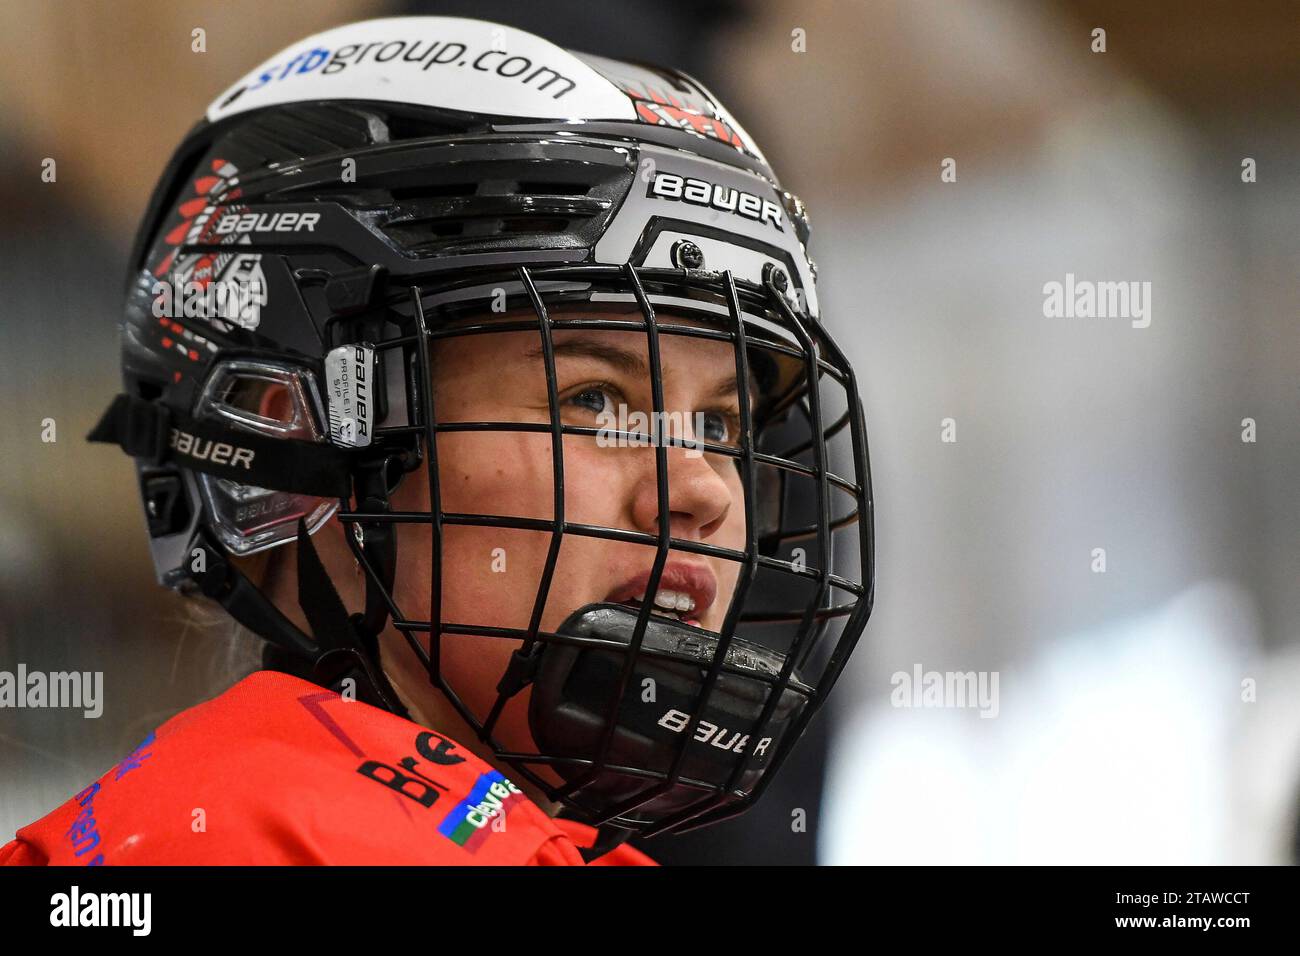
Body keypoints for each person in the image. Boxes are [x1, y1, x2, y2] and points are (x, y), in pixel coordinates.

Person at [2, 15, 873, 866]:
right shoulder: (228, 841)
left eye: (720, 425)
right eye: (594, 398)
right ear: (287, 427)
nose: (706, 489)